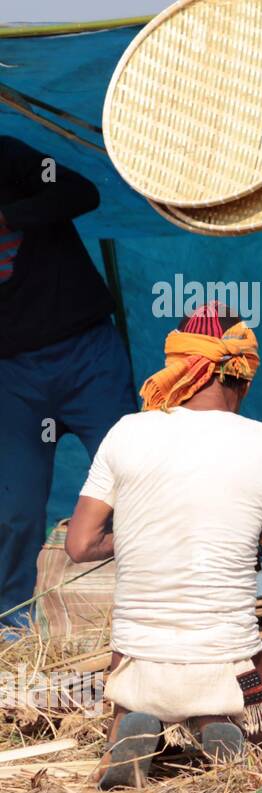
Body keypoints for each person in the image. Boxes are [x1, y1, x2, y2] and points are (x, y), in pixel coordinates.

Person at [66, 303, 262, 789]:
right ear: (244, 376)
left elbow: (81, 544)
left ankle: (144, 725)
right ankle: (235, 730)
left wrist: (137, 532)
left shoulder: (127, 431)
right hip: (232, 669)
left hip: (134, 666)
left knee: (143, 689)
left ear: (179, 369)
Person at [0, 137, 136, 627]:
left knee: (134, 483)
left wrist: (10, 217)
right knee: (12, 510)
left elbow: (80, 192)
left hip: (86, 353)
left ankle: (152, 611)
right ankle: (11, 630)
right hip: (12, 374)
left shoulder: (7, 157)